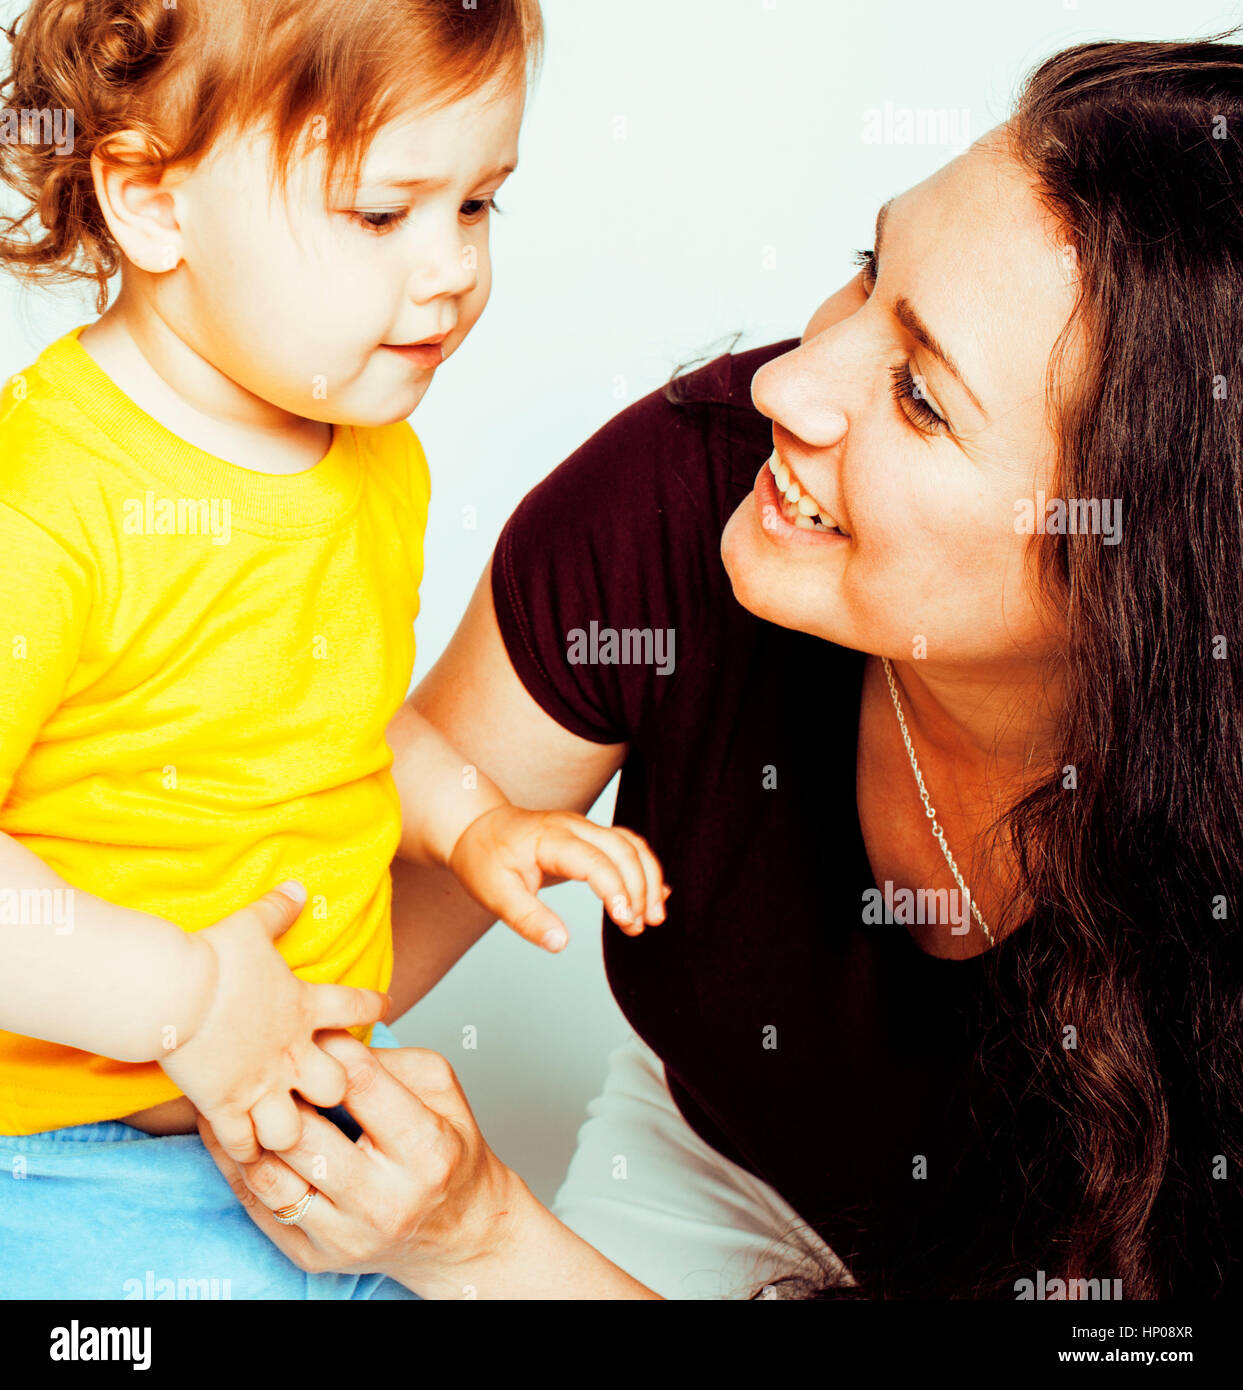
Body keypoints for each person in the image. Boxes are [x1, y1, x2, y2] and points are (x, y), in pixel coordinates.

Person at [202, 34, 1243, 1300]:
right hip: (719, 1155)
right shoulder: (683, 493)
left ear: (1142, 570)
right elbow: (294, 965)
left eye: (921, 397)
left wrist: (483, 1244)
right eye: (868, 274)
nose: (790, 385)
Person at [0, 0, 668, 1301]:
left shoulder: (370, 454)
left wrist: (472, 823)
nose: (450, 271)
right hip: (64, 1170)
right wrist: (190, 1003)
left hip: (308, 1135)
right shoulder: (47, 499)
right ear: (150, 199)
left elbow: (327, 724)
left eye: (478, 206)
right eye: (380, 213)